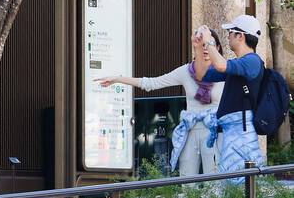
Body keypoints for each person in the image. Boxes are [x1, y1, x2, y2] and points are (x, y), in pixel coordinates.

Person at [97, 28, 224, 175]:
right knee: (187, 178)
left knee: (215, 179)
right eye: (201, 44)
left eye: (210, 44)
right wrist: (118, 79)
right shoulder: (186, 71)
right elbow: (152, 83)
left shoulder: (225, 71)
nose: (206, 48)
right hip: (190, 130)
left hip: (214, 131)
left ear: (218, 48)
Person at [193, 14, 266, 175]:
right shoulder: (237, 64)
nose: (228, 36)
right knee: (231, 181)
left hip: (241, 132)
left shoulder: (252, 61)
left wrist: (209, 41)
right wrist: (199, 47)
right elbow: (201, 74)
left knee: (239, 182)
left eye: (230, 32)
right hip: (231, 131)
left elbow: (219, 65)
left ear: (240, 36)